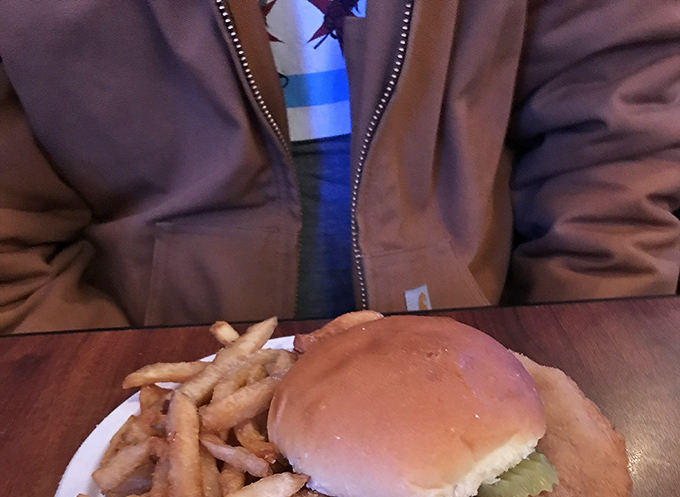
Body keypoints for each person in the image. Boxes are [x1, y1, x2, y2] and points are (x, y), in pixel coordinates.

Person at [0, 0, 679, 334]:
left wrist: (581, 356)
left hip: (491, 338)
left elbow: (616, 137)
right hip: (117, 372)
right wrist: (101, 395)